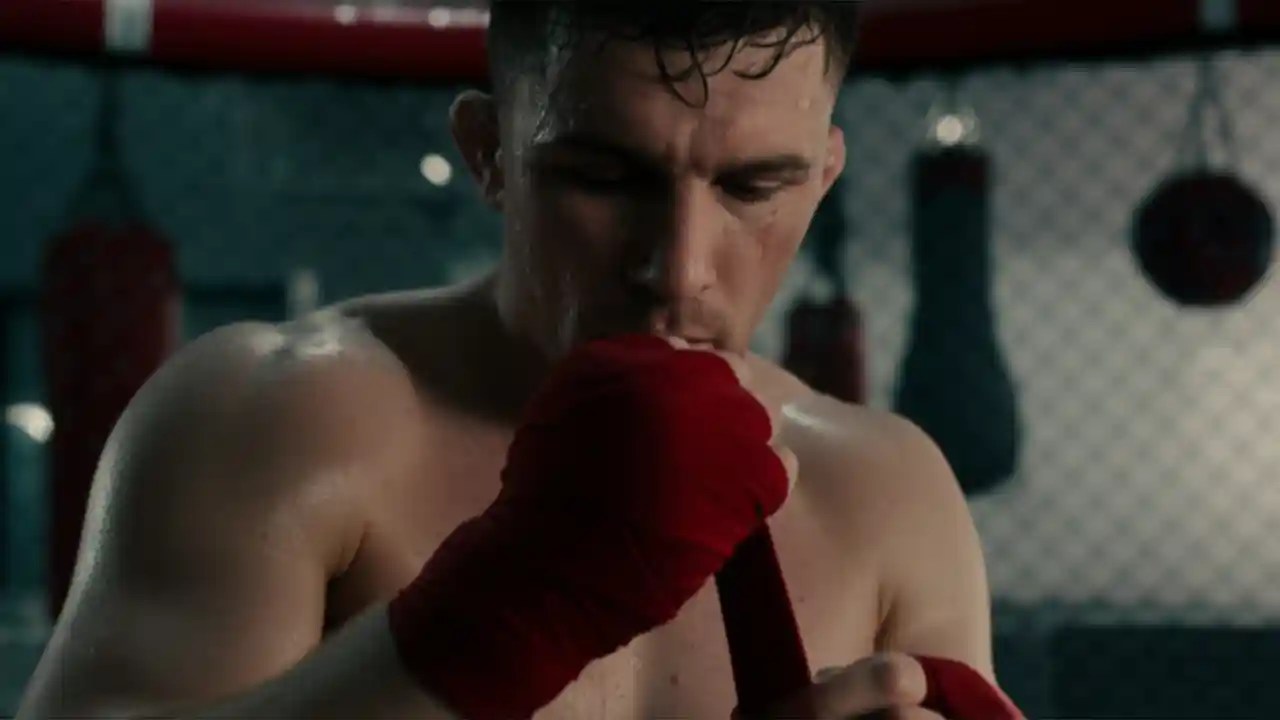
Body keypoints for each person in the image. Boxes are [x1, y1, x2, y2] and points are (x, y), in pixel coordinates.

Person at [17, 2, 1005, 718]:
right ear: (489, 152)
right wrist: (499, 617)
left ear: (821, 177)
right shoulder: (274, 421)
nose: (678, 268)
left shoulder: (888, 493)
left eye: (753, 186)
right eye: (601, 177)